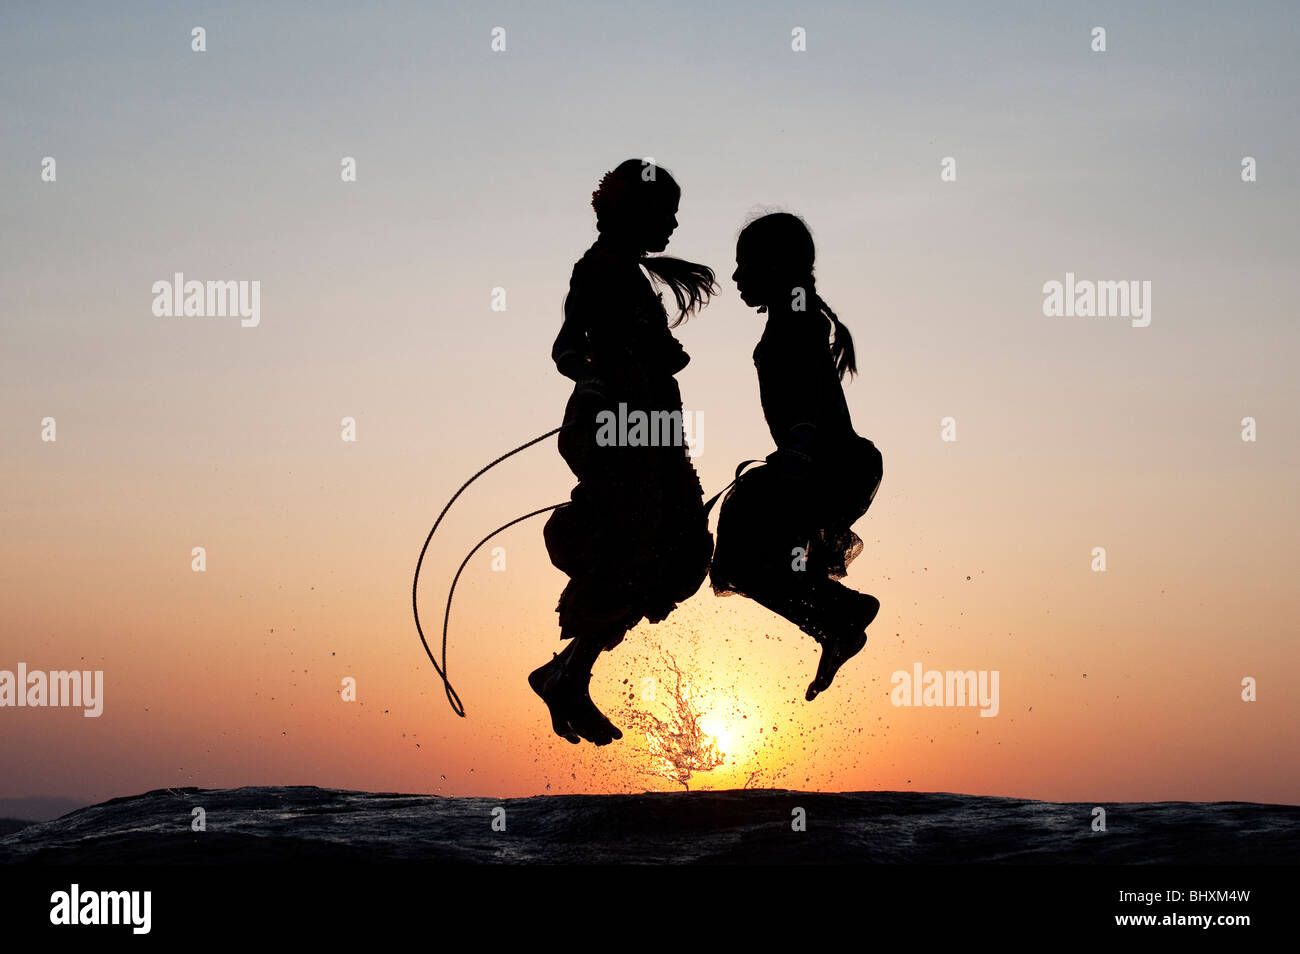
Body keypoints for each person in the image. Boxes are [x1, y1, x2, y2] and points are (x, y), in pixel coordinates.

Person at [530, 159, 717, 745]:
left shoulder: (621, 271)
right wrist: (598, 380)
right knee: (648, 546)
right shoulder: (602, 271)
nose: (674, 224)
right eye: (666, 212)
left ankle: (569, 672)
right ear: (633, 212)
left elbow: (575, 351)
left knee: (673, 551)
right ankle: (567, 674)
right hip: (621, 431)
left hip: (648, 433)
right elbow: (568, 351)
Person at [710, 212, 883, 701]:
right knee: (760, 562)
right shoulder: (795, 308)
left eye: (745, 266)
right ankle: (837, 621)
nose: (737, 277)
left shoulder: (796, 311)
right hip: (828, 465)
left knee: (742, 563)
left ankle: (841, 617)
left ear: (774, 266)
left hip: (823, 467)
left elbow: (806, 383)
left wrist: (800, 448)